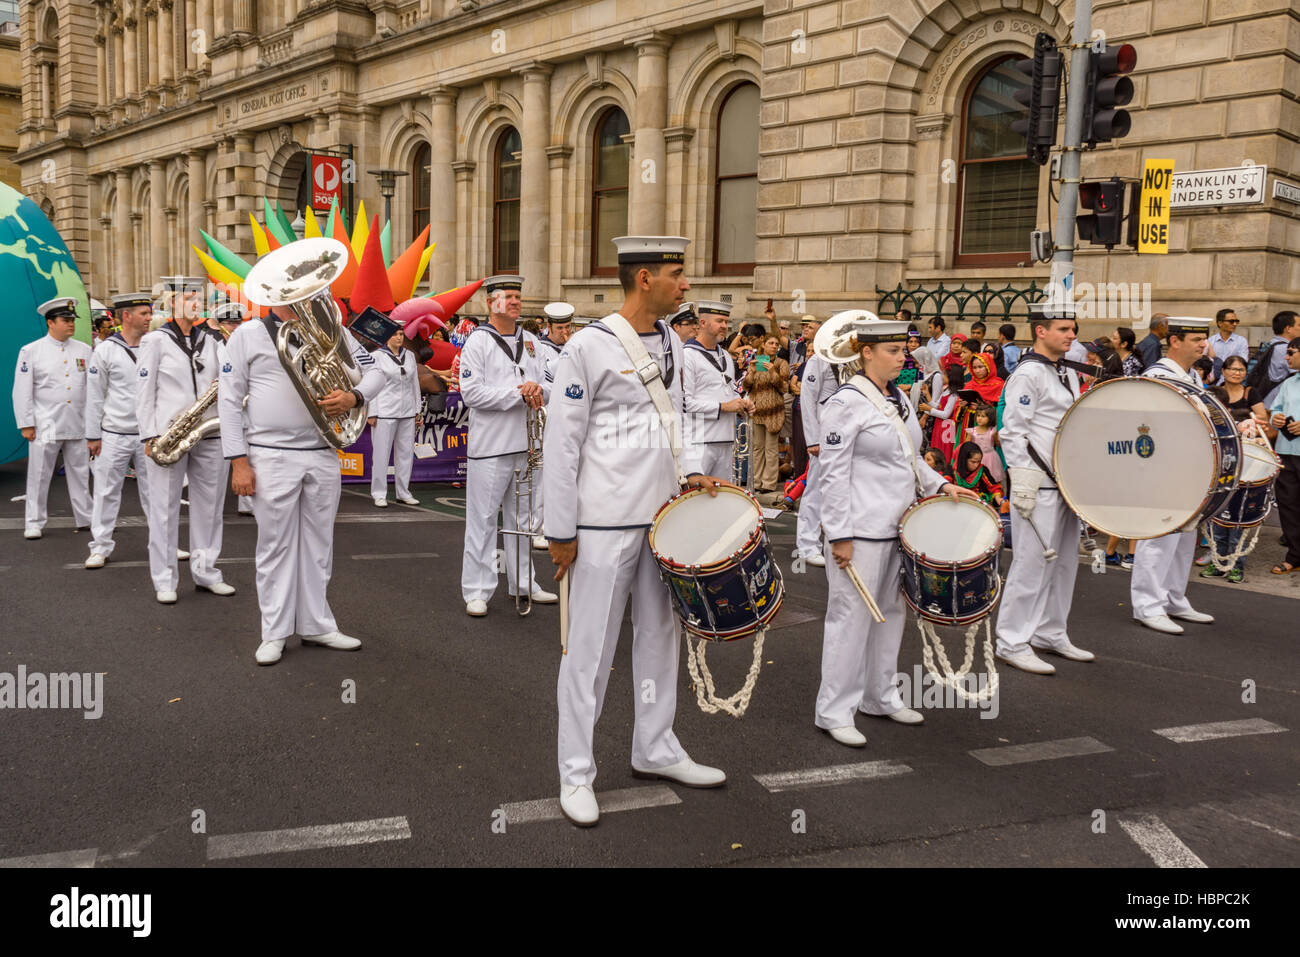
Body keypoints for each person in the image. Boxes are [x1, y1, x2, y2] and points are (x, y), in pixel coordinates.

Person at [544, 235, 727, 827]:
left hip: (661, 518)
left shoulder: (673, 341)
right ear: (645, 278)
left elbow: (676, 418)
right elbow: (562, 443)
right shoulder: (589, 348)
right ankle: (576, 771)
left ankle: (655, 747)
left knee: (659, 640)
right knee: (588, 652)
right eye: (678, 273)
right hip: (600, 524)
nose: (688, 284)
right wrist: (560, 529)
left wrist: (694, 468)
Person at [814, 311, 979, 746]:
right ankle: (834, 710)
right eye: (892, 350)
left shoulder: (899, 398)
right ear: (865, 353)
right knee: (850, 620)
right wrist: (839, 534)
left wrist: (942, 484)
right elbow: (830, 474)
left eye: (903, 348)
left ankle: (879, 695)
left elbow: (910, 457)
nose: (902, 357)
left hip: (898, 526)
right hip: (861, 530)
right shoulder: (845, 403)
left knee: (890, 616)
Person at [221, 257, 389, 666]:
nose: (304, 297)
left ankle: (316, 624)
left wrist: (354, 397)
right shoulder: (247, 335)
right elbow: (228, 398)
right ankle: (274, 631)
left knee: (318, 545)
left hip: (322, 452)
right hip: (271, 454)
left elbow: (379, 372)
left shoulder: (334, 333)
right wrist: (238, 460)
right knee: (275, 546)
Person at [995, 306, 1095, 674]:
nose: (1072, 335)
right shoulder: (1028, 374)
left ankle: (1050, 631)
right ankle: (1011, 640)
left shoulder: (1065, 370)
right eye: (1064, 329)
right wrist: (1022, 479)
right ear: (1041, 331)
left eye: (1074, 329)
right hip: (1038, 484)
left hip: (1064, 483)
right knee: (1031, 563)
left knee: (1065, 562)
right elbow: (1012, 431)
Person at [458, 275, 555, 616]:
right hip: (490, 446)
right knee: (483, 519)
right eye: (508, 296)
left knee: (525, 519)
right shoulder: (477, 343)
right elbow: (472, 393)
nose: (515, 301)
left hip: (527, 443)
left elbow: (549, 385)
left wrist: (537, 391)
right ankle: (477, 589)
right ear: (491, 303)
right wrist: (518, 394)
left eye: (518, 296)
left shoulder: (532, 341)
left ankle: (524, 582)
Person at [136, 277, 234, 605]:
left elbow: (230, 383)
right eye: (190, 299)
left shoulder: (213, 340)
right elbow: (144, 393)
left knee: (210, 507)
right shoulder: (155, 341)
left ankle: (206, 572)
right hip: (169, 436)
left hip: (209, 431)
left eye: (198, 298)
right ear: (172, 303)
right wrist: (149, 435)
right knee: (164, 508)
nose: (197, 305)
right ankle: (164, 578)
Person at [1130, 317, 1219, 634]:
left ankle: (1173, 598)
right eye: (1196, 338)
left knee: (1184, 537)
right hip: (1162, 467)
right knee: (1158, 537)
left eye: (1203, 338)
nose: (1202, 344)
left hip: (1189, 466)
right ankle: (1147, 605)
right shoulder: (1158, 376)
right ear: (1175, 341)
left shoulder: (1192, 375)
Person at [12, 297, 94, 540]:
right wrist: (26, 422)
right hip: (45, 422)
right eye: (65, 320)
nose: (71, 324)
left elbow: (90, 388)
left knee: (80, 473)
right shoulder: (32, 351)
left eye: (72, 320)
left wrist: (93, 422)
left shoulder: (84, 350)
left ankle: (86, 516)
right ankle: (34, 521)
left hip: (77, 420)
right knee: (39, 475)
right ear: (50, 322)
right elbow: (23, 389)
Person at [84, 293, 155, 568]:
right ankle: (100, 546)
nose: (149, 318)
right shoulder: (105, 350)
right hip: (113, 433)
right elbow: (94, 395)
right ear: (126, 316)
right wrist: (93, 435)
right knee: (105, 492)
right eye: (144, 313)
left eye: (149, 313)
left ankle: (164, 543)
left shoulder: (154, 345)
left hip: (149, 434)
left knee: (157, 493)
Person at [682, 300, 752, 480]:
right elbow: (685, 403)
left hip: (726, 439)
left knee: (720, 499)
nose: (725, 326)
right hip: (698, 441)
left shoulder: (725, 356)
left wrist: (742, 403)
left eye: (726, 322)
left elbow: (730, 389)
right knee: (694, 498)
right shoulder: (687, 355)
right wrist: (724, 407)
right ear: (703, 323)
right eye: (719, 321)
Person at [368, 326, 422, 508]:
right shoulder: (377, 356)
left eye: (401, 334)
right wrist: (372, 411)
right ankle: (379, 493)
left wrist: (417, 409)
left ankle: (403, 492)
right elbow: (372, 385)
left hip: (406, 410)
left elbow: (415, 383)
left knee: (405, 454)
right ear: (386, 337)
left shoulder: (410, 355)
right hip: (384, 411)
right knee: (381, 455)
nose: (399, 338)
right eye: (395, 334)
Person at [795, 334, 837, 567]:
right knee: (816, 490)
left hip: (847, 433)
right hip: (824, 434)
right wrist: (812, 439)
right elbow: (808, 399)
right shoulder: (818, 360)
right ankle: (807, 545)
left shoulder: (855, 359)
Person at [1267, 337, 1300, 576]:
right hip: (1286, 451)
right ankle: (1295, 555)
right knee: (1288, 505)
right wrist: (1275, 419)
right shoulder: (1290, 382)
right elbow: (1276, 409)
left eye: (1290, 352)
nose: (1286, 357)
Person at [742, 334, 789, 493]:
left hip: (774, 411)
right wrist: (752, 372)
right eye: (771, 343)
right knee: (757, 448)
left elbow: (784, 388)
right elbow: (746, 387)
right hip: (757, 411)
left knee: (771, 449)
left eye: (777, 344)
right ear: (764, 344)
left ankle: (768, 483)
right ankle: (756, 481)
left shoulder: (782, 363)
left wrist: (773, 372)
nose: (775, 346)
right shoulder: (755, 361)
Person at [919, 365, 967, 462]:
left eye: (944, 374)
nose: (941, 377)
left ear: (951, 377)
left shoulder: (954, 394)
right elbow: (938, 406)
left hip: (947, 427)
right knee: (938, 448)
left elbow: (945, 414)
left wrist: (929, 409)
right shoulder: (946, 390)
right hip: (940, 425)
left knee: (945, 452)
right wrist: (927, 394)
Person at [1259, 310, 1299, 407]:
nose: (1287, 357)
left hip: (1267, 400)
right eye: (1299, 325)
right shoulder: (1284, 348)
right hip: (1276, 402)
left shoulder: (1271, 344)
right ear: (1288, 328)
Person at [953, 441, 1003, 506]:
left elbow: (994, 487)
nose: (976, 465)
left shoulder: (982, 470)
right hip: (957, 503)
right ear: (964, 460)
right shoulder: (952, 471)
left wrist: (998, 499)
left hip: (978, 504)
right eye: (973, 462)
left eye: (978, 461)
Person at [1207, 308, 1248, 384]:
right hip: (1213, 382)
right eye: (1231, 321)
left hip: (1233, 381)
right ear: (1220, 323)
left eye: (1236, 321)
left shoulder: (1241, 341)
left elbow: (1242, 363)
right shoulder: (1210, 341)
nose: (1235, 324)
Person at [968, 404, 1002, 485]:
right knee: (978, 479)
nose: (979, 418)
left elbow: (998, 444)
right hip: (976, 458)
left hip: (991, 459)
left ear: (990, 418)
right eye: (978, 415)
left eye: (983, 416)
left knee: (993, 479)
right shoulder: (972, 431)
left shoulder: (992, 431)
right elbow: (967, 445)